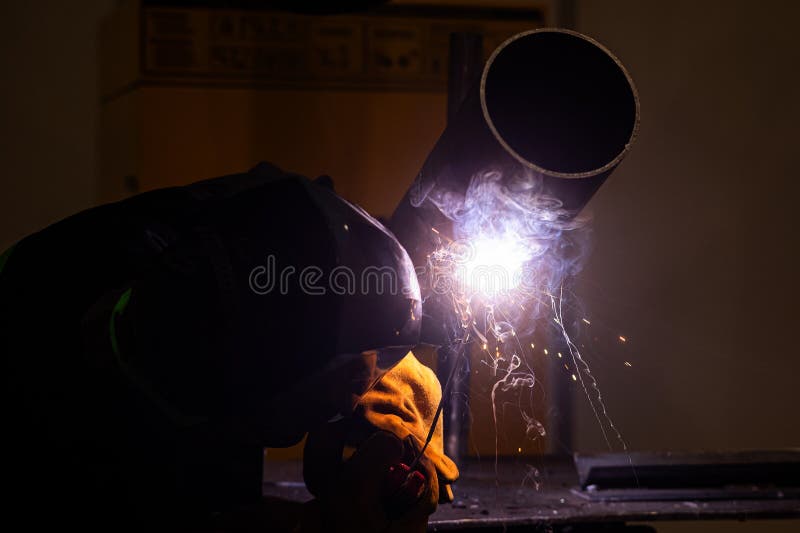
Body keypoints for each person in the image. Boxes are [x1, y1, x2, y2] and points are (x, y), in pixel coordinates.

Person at [1, 162, 456, 531]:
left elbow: (312, 247)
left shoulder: (240, 222)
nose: (346, 402)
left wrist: (379, 374)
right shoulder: (56, 421)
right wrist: (317, 526)